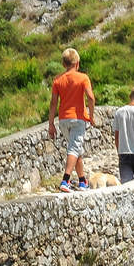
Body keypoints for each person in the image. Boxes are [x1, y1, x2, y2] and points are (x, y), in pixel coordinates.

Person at [47, 47, 96, 192]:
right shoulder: (83, 78)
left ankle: (82, 181)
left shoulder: (57, 80)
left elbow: (53, 103)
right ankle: (65, 180)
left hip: (63, 120)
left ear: (63, 63)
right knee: (74, 148)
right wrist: (91, 116)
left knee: (75, 150)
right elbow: (91, 98)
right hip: (78, 118)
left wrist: (51, 124)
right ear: (77, 63)